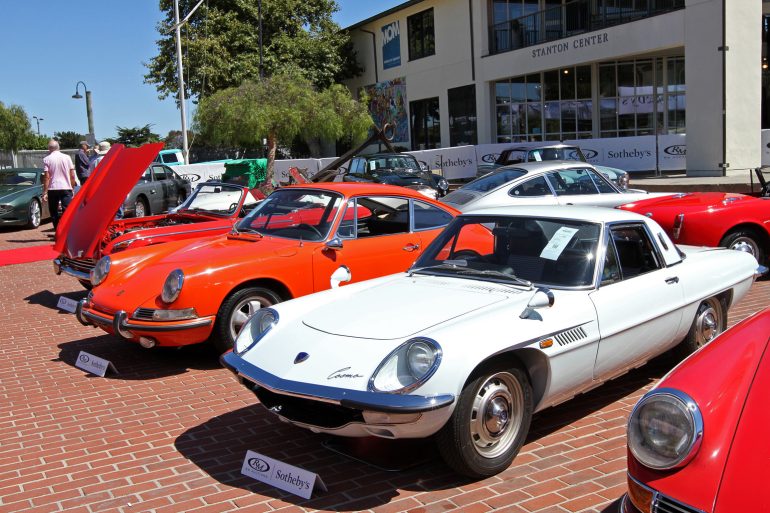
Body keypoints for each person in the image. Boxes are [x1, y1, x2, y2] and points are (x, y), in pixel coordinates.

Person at [42, 139, 77, 234]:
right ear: (58, 147)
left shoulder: (47, 159)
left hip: (53, 188)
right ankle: (67, 231)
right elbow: (72, 175)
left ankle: (58, 231)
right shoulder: (67, 157)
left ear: (49, 149)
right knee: (67, 210)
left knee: (53, 211)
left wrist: (45, 192)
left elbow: (47, 176)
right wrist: (72, 187)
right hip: (66, 186)